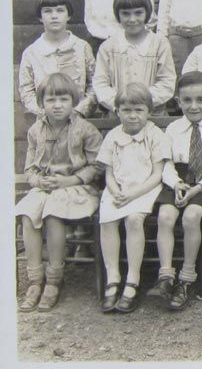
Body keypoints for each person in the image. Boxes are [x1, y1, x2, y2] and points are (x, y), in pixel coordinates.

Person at [16, 74, 102, 312]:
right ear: (41, 103)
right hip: (46, 187)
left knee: (53, 215)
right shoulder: (36, 131)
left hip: (77, 187)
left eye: (63, 99)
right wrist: (37, 181)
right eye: (51, 99)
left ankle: (54, 278)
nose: (57, 105)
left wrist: (70, 179)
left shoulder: (85, 129)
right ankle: (35, 279)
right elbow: (30, 168)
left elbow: (97, 166)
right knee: (27, 213)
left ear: (73, 101)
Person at [153, 71, 202, 310]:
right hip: (178, 179)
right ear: (178, 101)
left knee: (191, 216)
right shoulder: (173, 130)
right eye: (187, 100)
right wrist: (175, 183)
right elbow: (165, 163)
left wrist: (197, 189)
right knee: (165, 215)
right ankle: (165, 276)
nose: (193, 106)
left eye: (200, 100)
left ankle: (186, 277)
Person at [97, 83, 171, 314]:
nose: (132, 115)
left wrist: (132, 194)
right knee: (107, 221)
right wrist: (116, 190)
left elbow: (158, 174)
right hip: (117, 189)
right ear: (117, 111)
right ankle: (113, 277)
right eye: (126, 110)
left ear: (149, 111)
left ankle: (133, 279)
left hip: (144, 189)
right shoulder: (113, 136)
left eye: (138, 110)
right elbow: (108, 173)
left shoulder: (154, 135)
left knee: (133, 220)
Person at [93, 0, 176, 114]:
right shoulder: (108, 47)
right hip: (119, 115)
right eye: (126, 14)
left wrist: (142, 103)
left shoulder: (160, 44)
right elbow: (100, 83)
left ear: (147, 12)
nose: (132, 19)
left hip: (153, 114)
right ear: (118, 14)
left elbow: (167, 81)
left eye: (138, 13)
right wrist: (120, 104)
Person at [19, 0, 97, 118]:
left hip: (78, 119)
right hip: (45, 120)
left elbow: (94, 84)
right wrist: (43, 112)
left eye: (60, 10)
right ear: (40, 17)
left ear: (69, 15)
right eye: (48, 11)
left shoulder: (82, 47)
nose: (54, 16)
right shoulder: (31, 53)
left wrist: (79, 110)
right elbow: (26, 91)